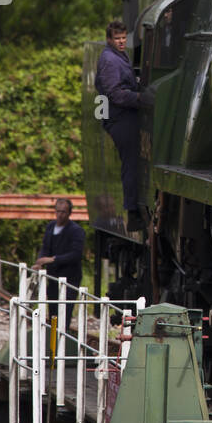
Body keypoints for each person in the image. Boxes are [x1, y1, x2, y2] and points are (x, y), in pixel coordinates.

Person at [95, 21, 154, 231]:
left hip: (125, 115)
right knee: (130, 163)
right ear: (109, 39)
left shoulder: (119, 56)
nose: (121, 41)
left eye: (123, 38)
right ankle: (133, 211)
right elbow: (115, 93)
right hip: (120, 118)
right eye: (117, 38)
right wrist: (141, 97)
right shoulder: (110, 60)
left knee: (133, 162)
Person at [35, 198, 85, 331]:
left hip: (70, 277)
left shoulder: (76, 231)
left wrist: (53, 259)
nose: (60, 215)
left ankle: (62, 337)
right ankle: (52, 338)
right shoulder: (50, 227)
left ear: (69, 213)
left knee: (65, 311)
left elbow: (76, 254)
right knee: (53, 310)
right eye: (58, 211)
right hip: (53, 276)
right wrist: (40, 261)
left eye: (63, 212)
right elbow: (45, 247)